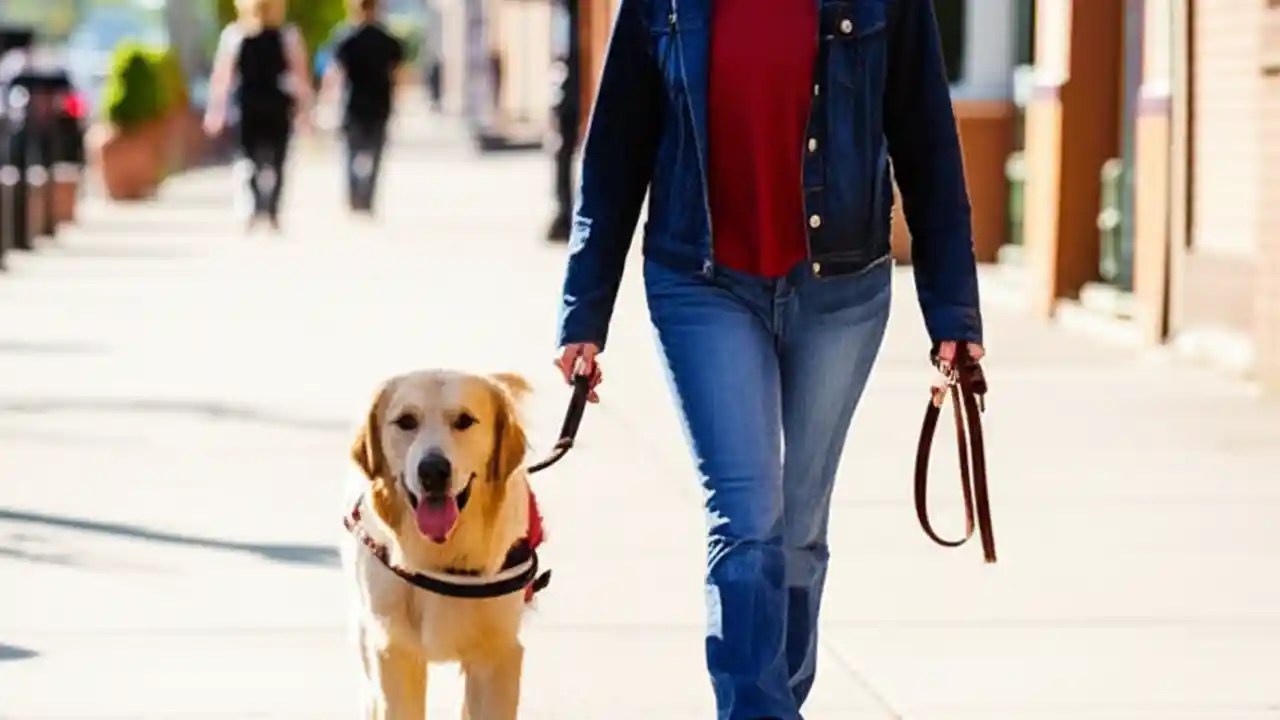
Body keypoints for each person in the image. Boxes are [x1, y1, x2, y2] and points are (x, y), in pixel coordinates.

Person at [553, 1, 986, 719]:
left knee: (800, 531)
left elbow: (927, 140)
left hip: (840, 290)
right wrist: (584, 310)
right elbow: (615, 149)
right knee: (748, 518)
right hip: (701, 283)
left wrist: (953, 312)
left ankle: (776, 702)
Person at [204, 0, 314, 233]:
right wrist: (305, 111)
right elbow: (299, 75)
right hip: (276, 105)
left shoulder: (234, 36)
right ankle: (271, 209)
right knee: (277, 160)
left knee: (248, 160)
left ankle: (255, 207)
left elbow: (222, 77)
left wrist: (216, 110)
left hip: (248, 105)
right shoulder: (287, 36)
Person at [321, 0, 405, 216]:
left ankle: (355, 197)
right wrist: (398, 102)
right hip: (380, 102)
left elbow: (335, 73)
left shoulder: (347, 38)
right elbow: (398, 74)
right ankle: (367, 199)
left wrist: (327, 100)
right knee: (375, 152)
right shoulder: (387, 39)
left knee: (352, 152)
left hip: (353, 103)